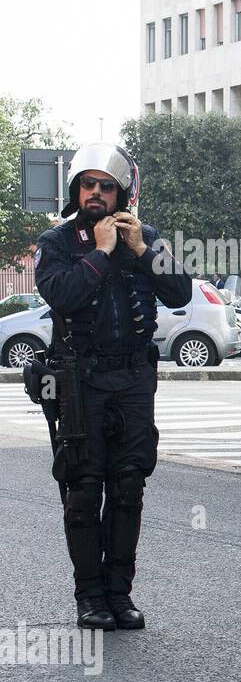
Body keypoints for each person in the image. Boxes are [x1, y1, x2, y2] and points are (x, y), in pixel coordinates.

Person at [33, 143, 191, 630]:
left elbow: (181, 291)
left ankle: (120, 594)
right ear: (76, 191)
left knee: (128, 486)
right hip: (80, 381)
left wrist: (141, 250)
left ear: (122, 191)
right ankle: (90, 596)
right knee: (83, 488)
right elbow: (60, 292)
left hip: (133, 379)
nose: (97, 193)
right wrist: (101, 252)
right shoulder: (58, 242)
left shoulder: (148, 238)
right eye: (88, 184)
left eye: (106, 186)